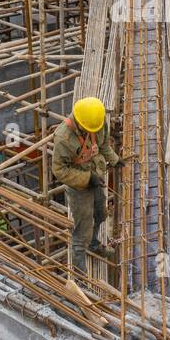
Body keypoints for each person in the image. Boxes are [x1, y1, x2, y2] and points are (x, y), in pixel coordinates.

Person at [52, 96, 120, 273]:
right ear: (79, 122)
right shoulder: (63, 138)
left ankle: (93, 243)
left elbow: (103, 144)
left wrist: (114, 160)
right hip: (79, 187)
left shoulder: (97, 121)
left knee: (101, 213)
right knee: (82, 228)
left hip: (95, 176)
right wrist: (86, 179)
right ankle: (79, 267)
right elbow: (59, 171)